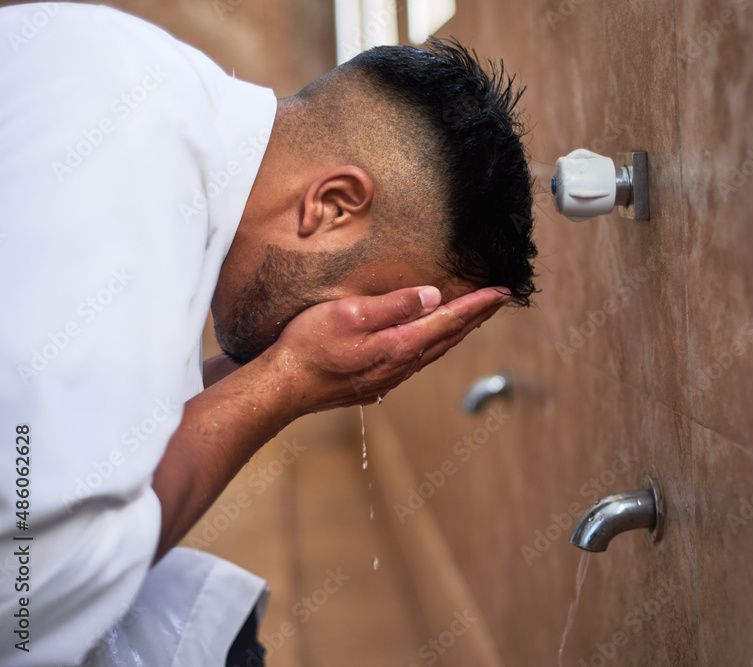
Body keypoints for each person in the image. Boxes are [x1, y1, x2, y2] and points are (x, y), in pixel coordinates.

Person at [0, 2, 536, 665]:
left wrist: (281, 370)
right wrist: (287, 381)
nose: (366, 338)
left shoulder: (154, 117)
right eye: (379, 308)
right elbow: (29, 586)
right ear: (332, 206)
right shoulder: (124, 145)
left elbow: (108, 441)